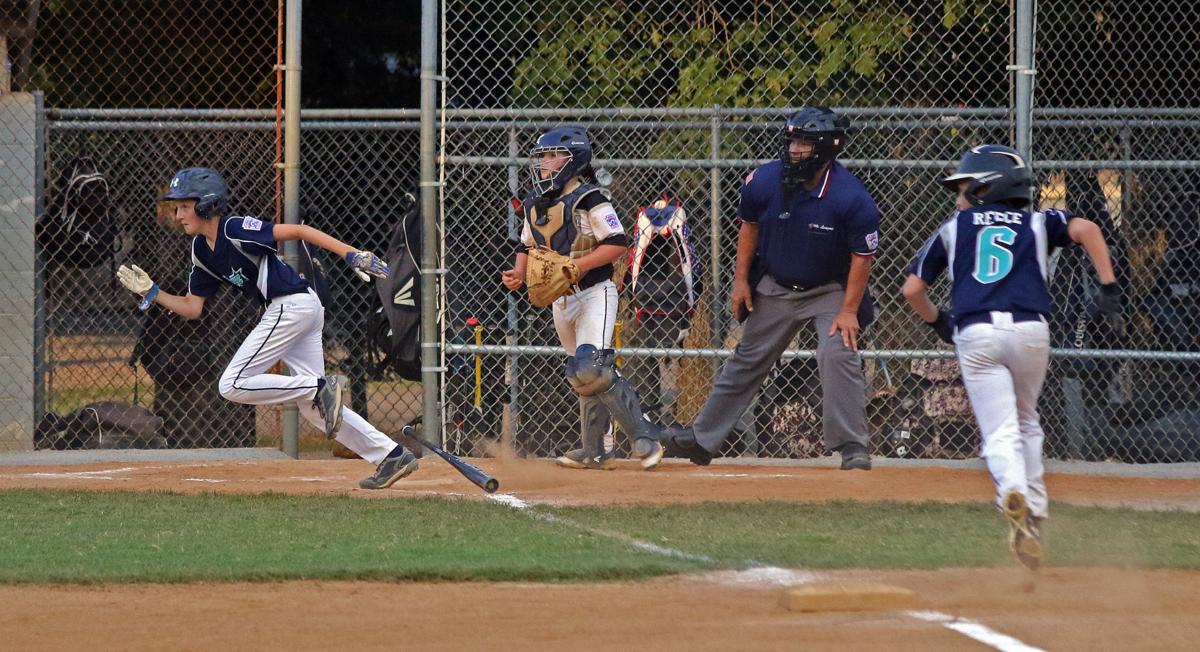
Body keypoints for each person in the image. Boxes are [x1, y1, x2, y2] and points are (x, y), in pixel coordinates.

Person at [116, 167, 420, 489]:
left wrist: (351, 253)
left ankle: (319, 387)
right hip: (294, 309)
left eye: (185, 206)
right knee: (315, 411)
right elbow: (193, 307)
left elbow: (300, 232)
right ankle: (391, 455)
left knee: (231, 384)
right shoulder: (202, 251)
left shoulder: (234, 228)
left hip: (292, 305)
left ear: (207, 204)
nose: (178, 215)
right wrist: (153, 293)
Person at [901, 145, 1122, 570]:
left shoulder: (955, 227)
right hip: (1031, 330)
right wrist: (1109, 287)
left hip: (978, 331)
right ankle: (1035, 514)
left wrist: (938, 323)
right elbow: (1089, 229)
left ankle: (1012, 494)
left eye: (966, 187)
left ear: (987, 187)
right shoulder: (1040, 222)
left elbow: (912, 290)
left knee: (999, 430)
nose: (959, 196)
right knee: (1027, 421)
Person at [664, 106, 880, 471]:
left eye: (805, 143)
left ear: (827, 148)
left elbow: (862, 257)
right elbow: (748, 227)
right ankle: (703, 440)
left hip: (828, 290)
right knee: (747, 358)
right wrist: (741, 281)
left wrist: (847, 311)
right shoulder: (765, 181)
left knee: (837, 352)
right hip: (777, 285)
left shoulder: (851, 197)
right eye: (792, 140)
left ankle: (852, 446)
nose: (795, 149)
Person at [500, 126, 664, 470]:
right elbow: (526, 245)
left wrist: (578, 266)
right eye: (542, 157)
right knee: (579, 374)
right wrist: (519, 272)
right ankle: (595, 452)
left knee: (593, 367)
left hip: (594, 293)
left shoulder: (591, 198)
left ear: (573, 161)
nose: (544, 163)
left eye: (551, 156)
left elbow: (617, 243)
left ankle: (643, 437)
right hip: (562, 300)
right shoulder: (536, 202)